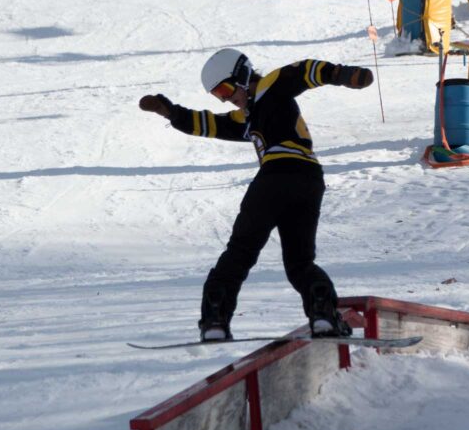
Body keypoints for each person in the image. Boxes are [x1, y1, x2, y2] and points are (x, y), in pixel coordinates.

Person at [138, 49, 374, 342]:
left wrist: (344, 75)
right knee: (300, 264)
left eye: (225, 89)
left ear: (243, 74)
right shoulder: (248, 116)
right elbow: (210, 124)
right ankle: (323, 316)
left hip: (276, 177)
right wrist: (170, 112)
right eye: (217, 95)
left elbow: (306, 71)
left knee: (240, 253)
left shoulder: (270, 86)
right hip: (309, 181)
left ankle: (215, 320)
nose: (225, 98)